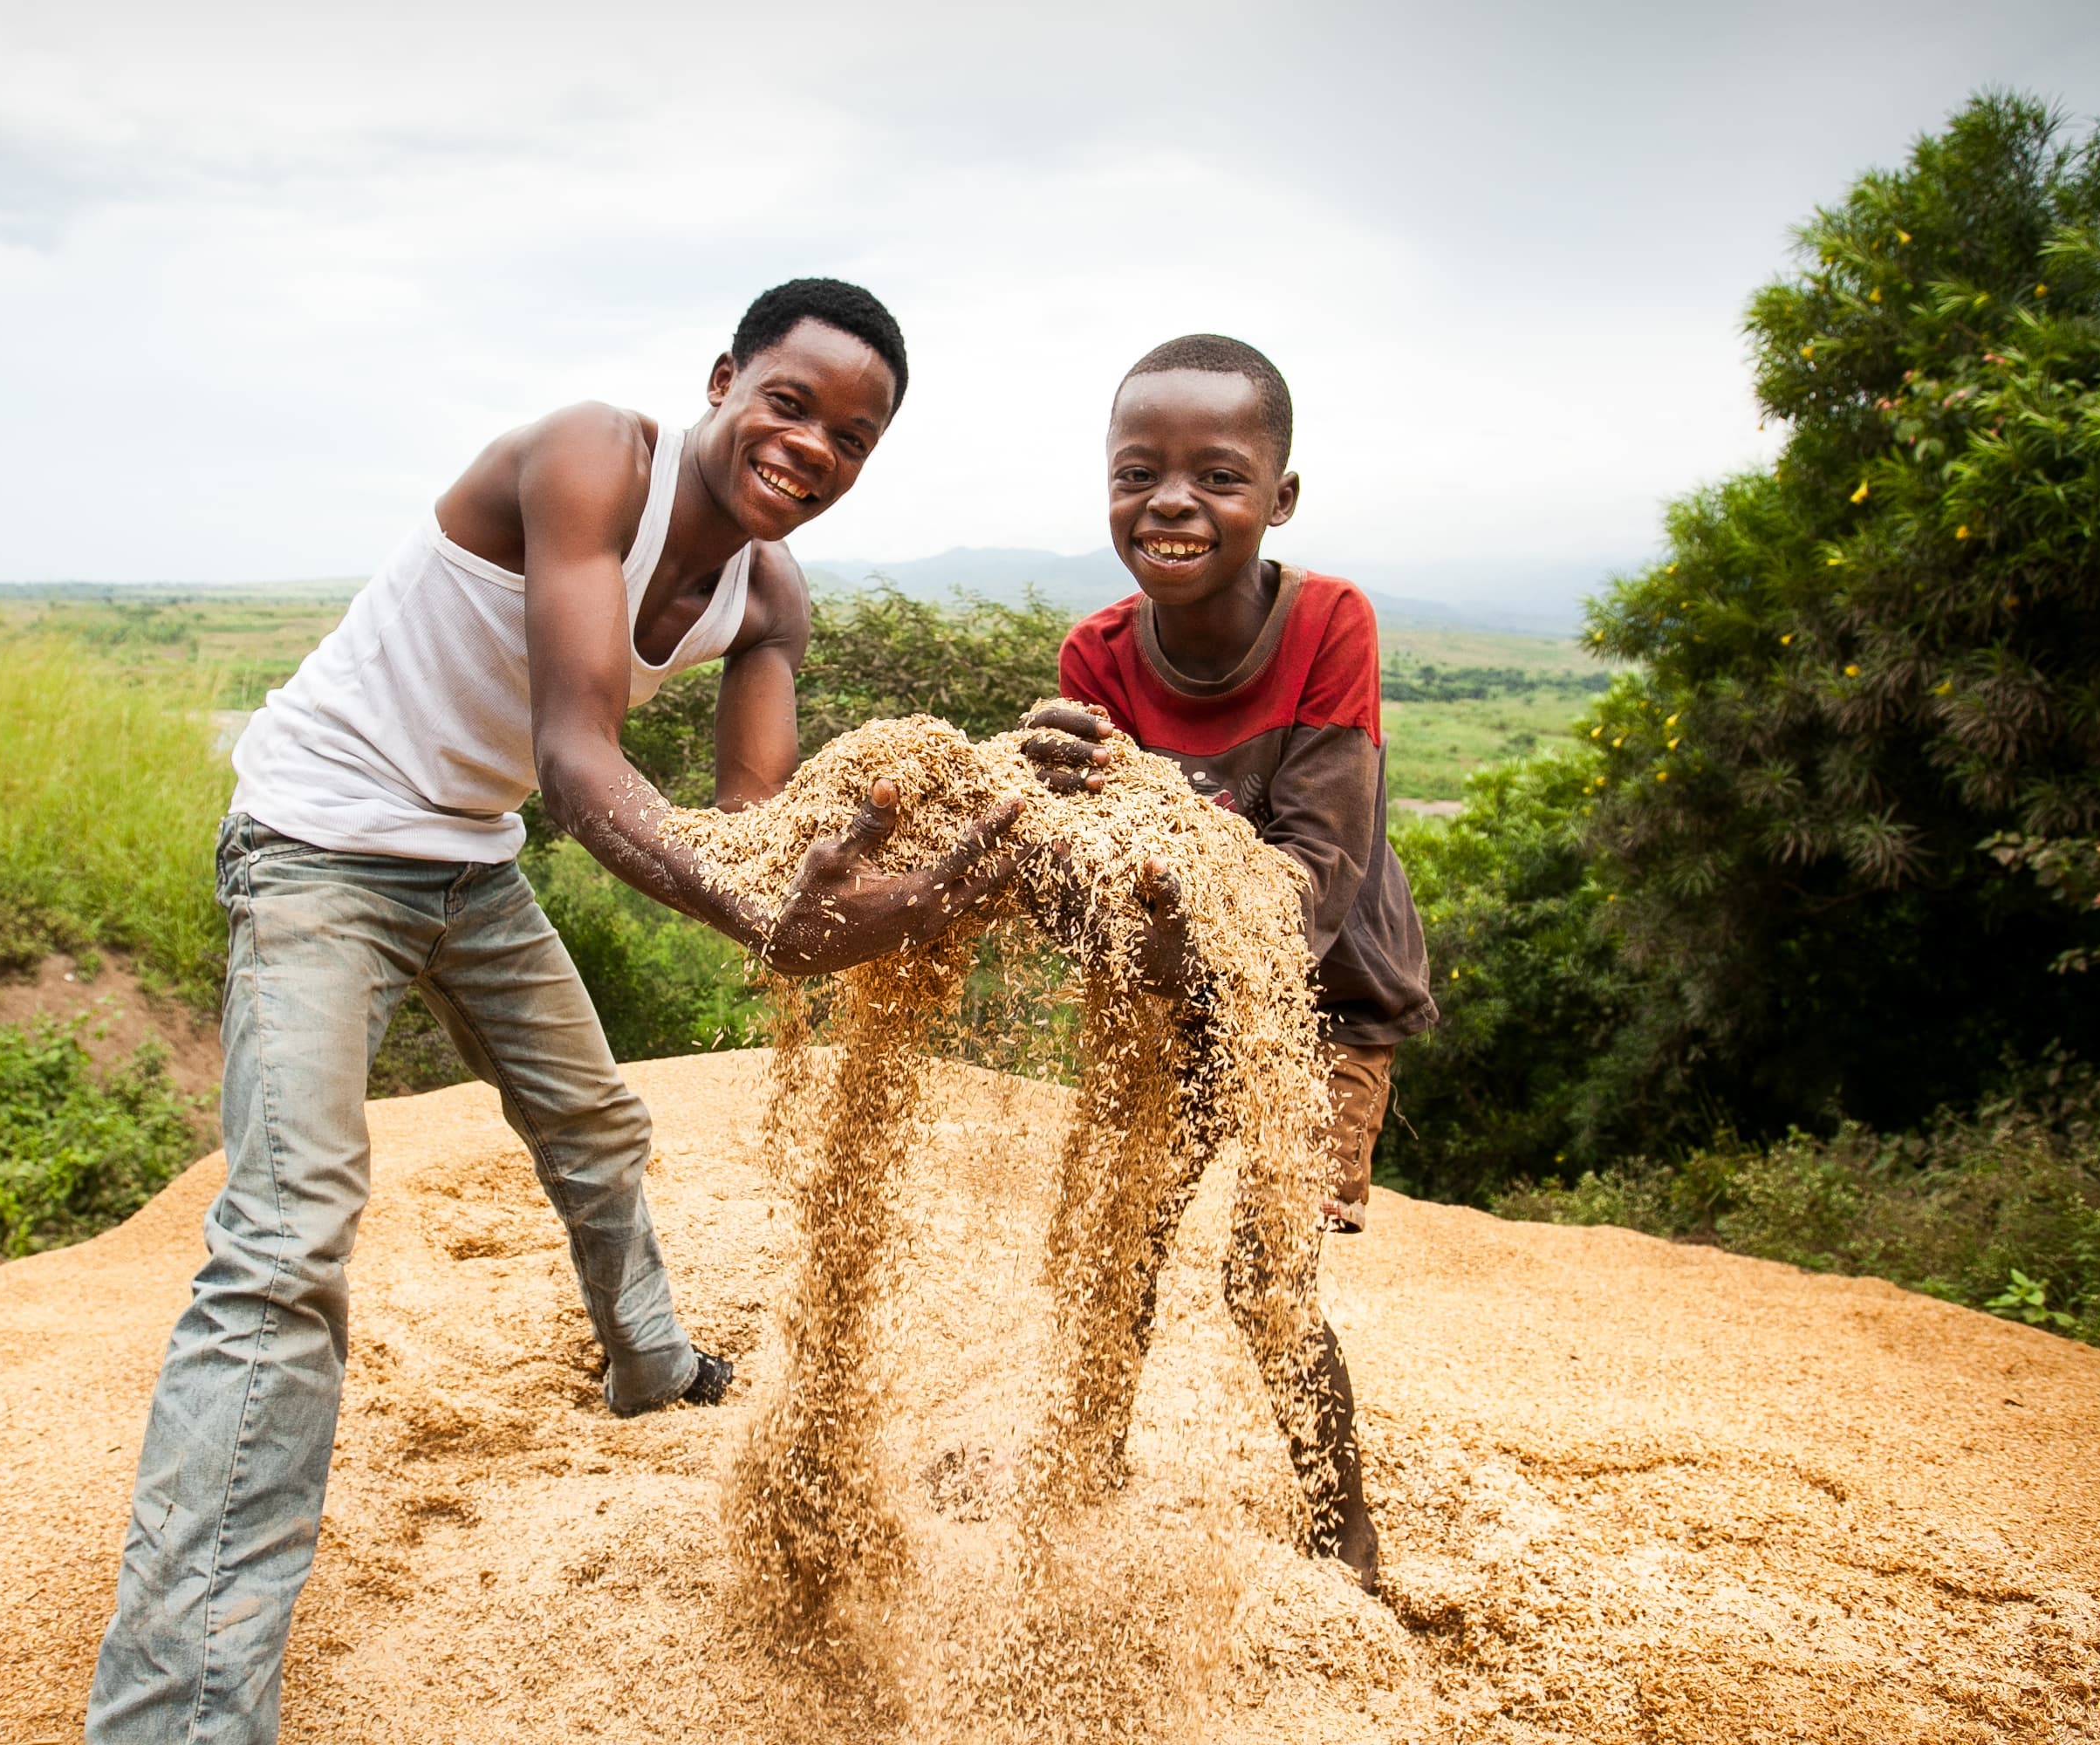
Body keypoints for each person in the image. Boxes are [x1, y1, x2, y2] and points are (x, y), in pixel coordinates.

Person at [88, 279, 1022, 1743]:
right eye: (790, 403)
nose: (812, 449)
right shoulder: (595, 456)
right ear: (723, 378)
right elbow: (584, 769)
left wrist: (884, 896)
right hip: (319, 843)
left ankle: (652, 1364)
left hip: (467, 858)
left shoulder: (768, 597)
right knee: (288, 1237)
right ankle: (175, 1719)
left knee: (597, 1116)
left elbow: (752, 835)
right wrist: (779, 920)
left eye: (854, 437)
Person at [1022, 333, 1437, 1591]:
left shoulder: (1328, 624)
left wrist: (1158, 875)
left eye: (1219, 475)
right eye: (1138, 471)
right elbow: (1094, 877)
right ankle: (1082, 1472)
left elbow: (1315, 877)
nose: (1173, 502)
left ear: (1280, 498)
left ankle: (1339, 1531)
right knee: (1117, 1241)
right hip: (1164, 995)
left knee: (1265, 1273)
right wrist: (1040, 820)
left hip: (1324, 1005)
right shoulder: (1095, 658)